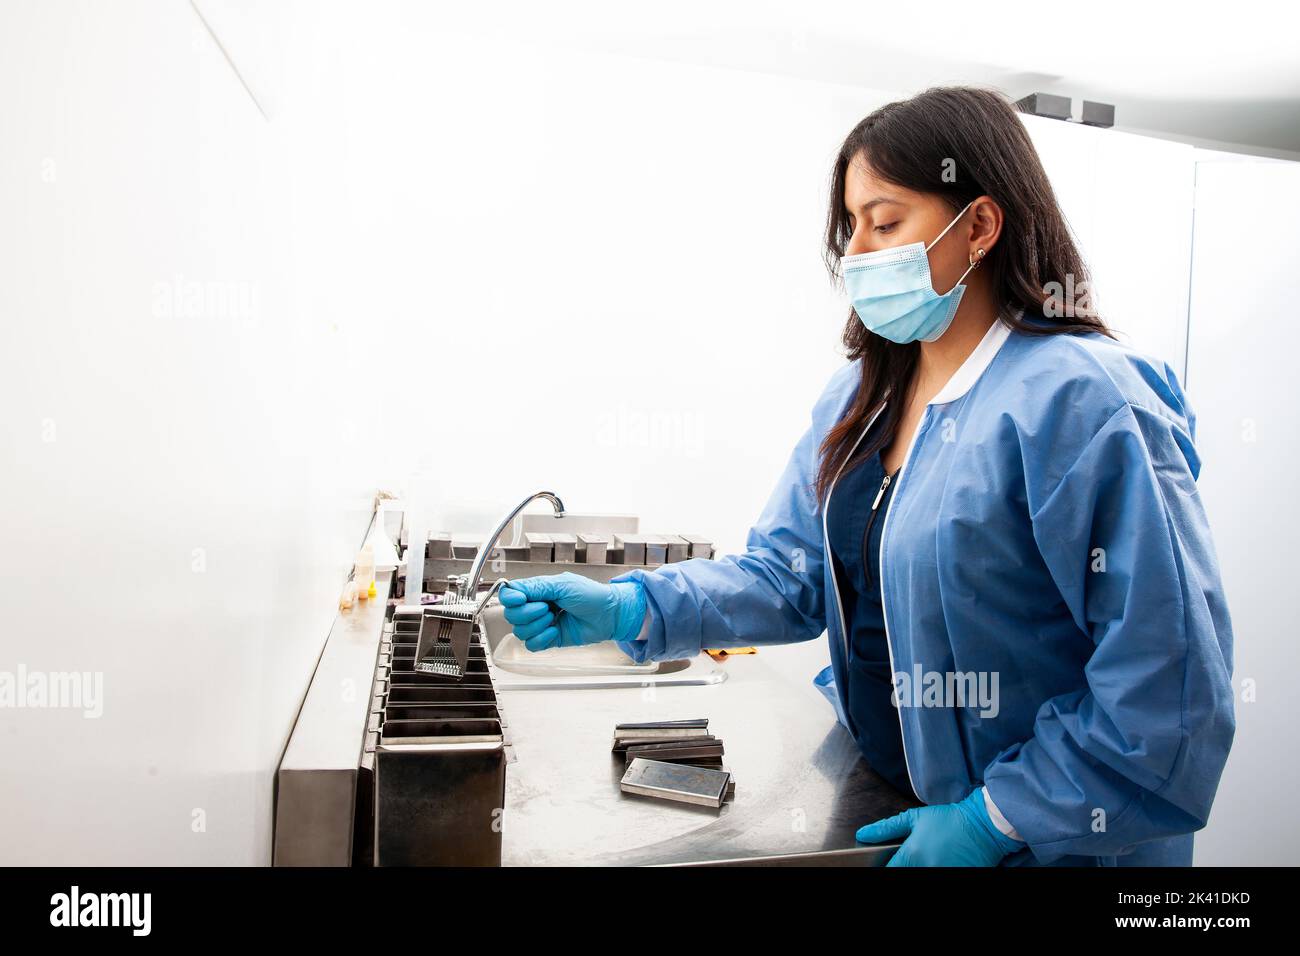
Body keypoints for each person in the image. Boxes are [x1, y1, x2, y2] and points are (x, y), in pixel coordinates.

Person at [498, 87, 1235, 867]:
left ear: (979, 227)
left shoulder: (1084, 403)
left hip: (1049, 843)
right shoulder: (862, 397)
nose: (856, 253)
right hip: (890, 807)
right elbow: (789, 576)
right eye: (850, 227)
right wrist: (635, 607)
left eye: (884, 223)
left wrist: (997, 819)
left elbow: (1168, 689)